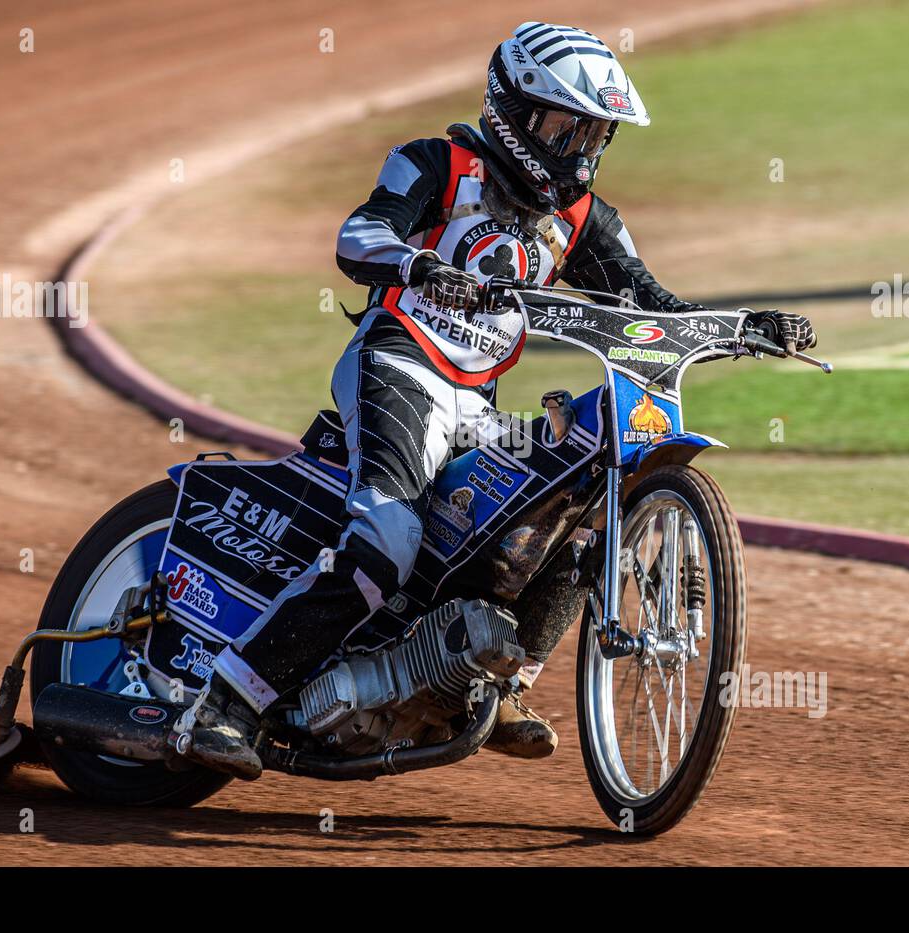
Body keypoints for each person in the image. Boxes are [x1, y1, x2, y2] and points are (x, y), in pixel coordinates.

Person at [185, 22, 817, 779]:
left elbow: (650, 305)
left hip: (479, 406)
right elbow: (358, 238)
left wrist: (749, 326)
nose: (580, 152)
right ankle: (227, 700)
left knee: (569, 514)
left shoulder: (582, 219)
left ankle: (501, 678)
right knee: (387, 542)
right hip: (400, 364)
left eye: (596, 137)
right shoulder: (437, 165)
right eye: (566, 128)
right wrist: (421, 267)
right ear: (513, 111)